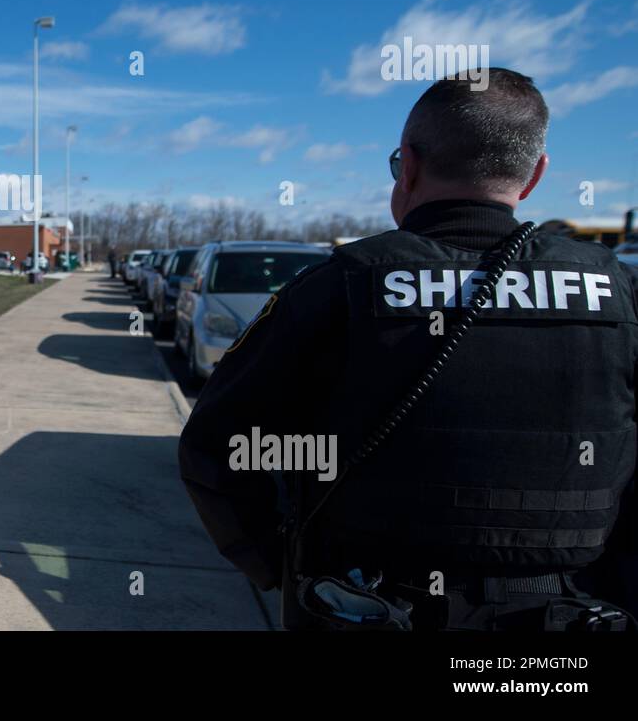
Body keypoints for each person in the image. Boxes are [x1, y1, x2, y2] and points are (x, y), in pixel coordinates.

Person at [179, 69, 637, 631]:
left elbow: (215, 446)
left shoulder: (341, 284)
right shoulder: (617, 291)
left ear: (409, 165)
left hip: (371, 608)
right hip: (565, 623)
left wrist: (283, 568)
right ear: (535, 176)